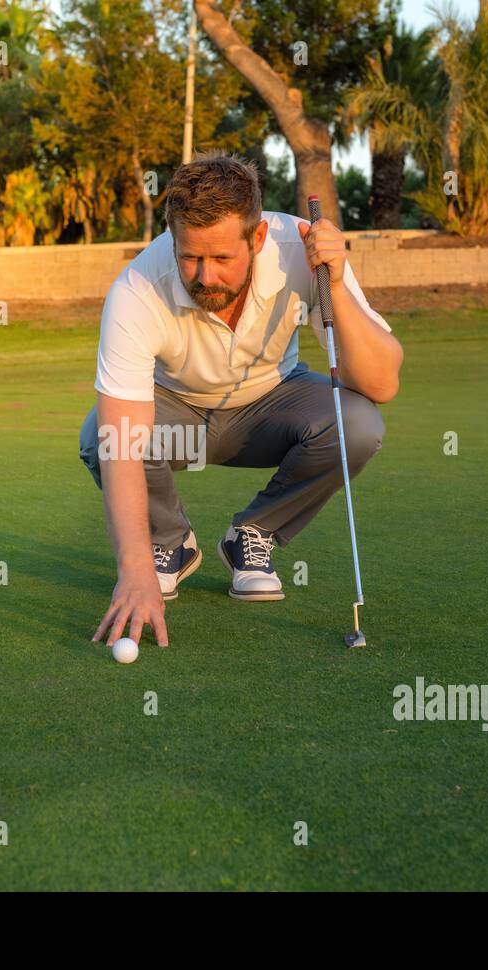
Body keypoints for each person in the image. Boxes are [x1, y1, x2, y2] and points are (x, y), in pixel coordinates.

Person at [79, 150, 402, 649]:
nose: (205, 276)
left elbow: (381, 384)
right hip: (174, 418)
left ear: (256, 238)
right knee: (99, 433)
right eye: (190, 257)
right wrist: (135, 569)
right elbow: (122, 438)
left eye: (222, 259)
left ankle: (254, 534)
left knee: (358, 424)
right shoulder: (138, 287)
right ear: (172, 237)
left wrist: (335, 286)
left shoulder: (300, 249)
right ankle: (166, 544)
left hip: (271, 405)